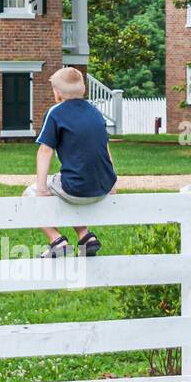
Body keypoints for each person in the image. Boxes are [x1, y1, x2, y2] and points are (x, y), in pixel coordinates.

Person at [25, 66, 117, 258]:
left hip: (76, 189)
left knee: (30, 194)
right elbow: (105, 147)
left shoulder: (56, 112)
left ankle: (56, 240)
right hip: (102, 187)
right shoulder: (95, 112)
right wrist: (113, 182)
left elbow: (45, 150)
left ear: (57, 94)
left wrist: (41, 189)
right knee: (69, 184)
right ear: (83, 90)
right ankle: (85, 236)